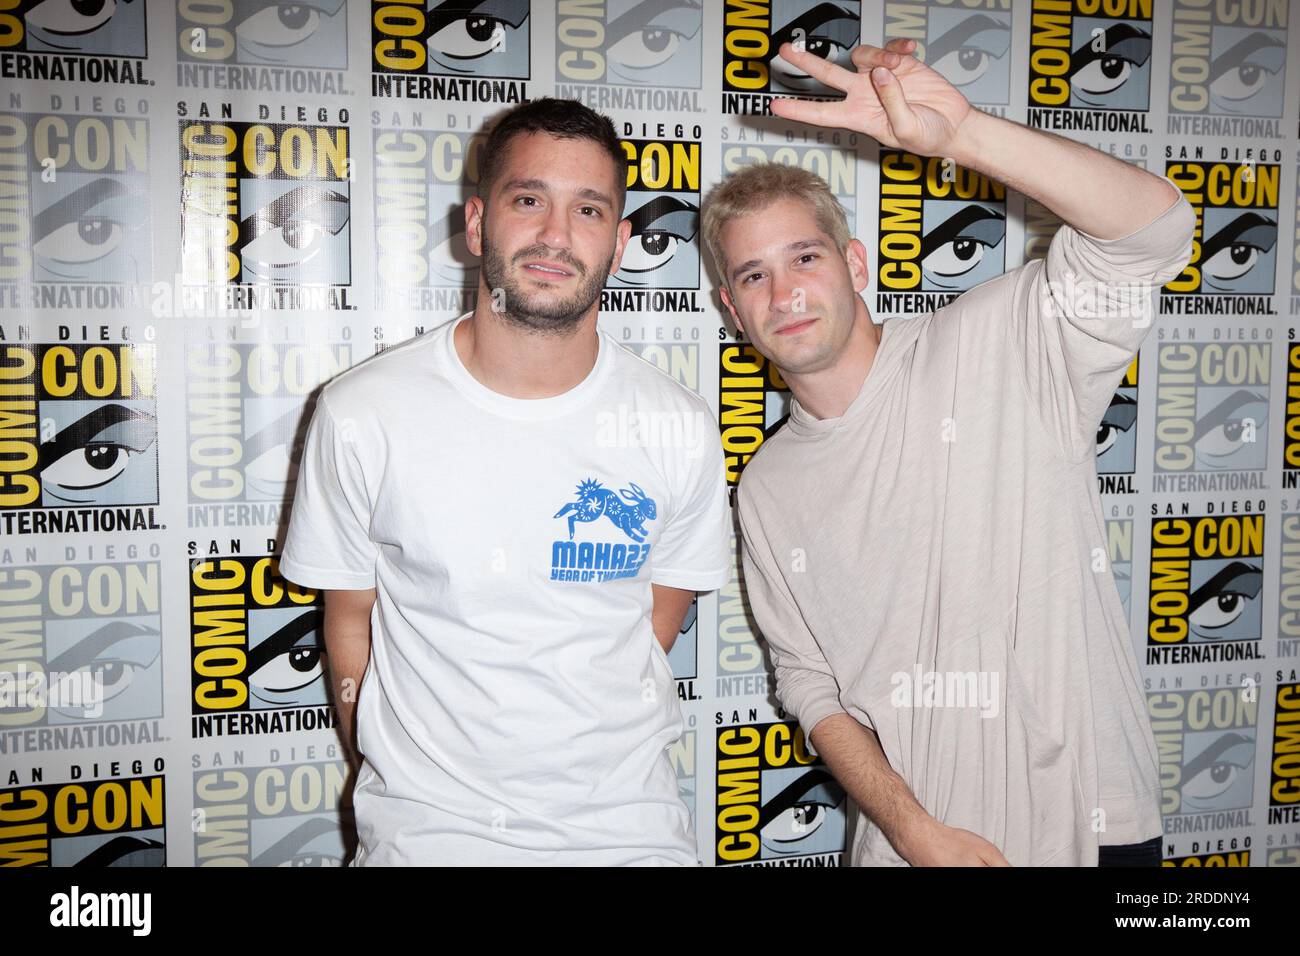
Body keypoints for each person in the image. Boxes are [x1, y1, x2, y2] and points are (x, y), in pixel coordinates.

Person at [701, 39, 1194, 867]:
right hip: (912, 851)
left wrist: (963, 135)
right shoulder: (767, 487)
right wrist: (910, 827)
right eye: (753, 277)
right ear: (731, 310)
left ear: (856, 263)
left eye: (805, 257)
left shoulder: (996, 341)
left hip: (1087, 830)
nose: (784, 292)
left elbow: (1153, 233)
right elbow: (809, 682)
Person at [279, 98, 730, 865]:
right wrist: (408, 775)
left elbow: (650, 627)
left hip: (630, 840)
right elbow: (347, 622)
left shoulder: (679, 426)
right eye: (530, 201)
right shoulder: (362, 412)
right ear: (479, 222)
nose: (556, 235)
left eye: (588, 209)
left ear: (619, 244)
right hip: (427, 844)